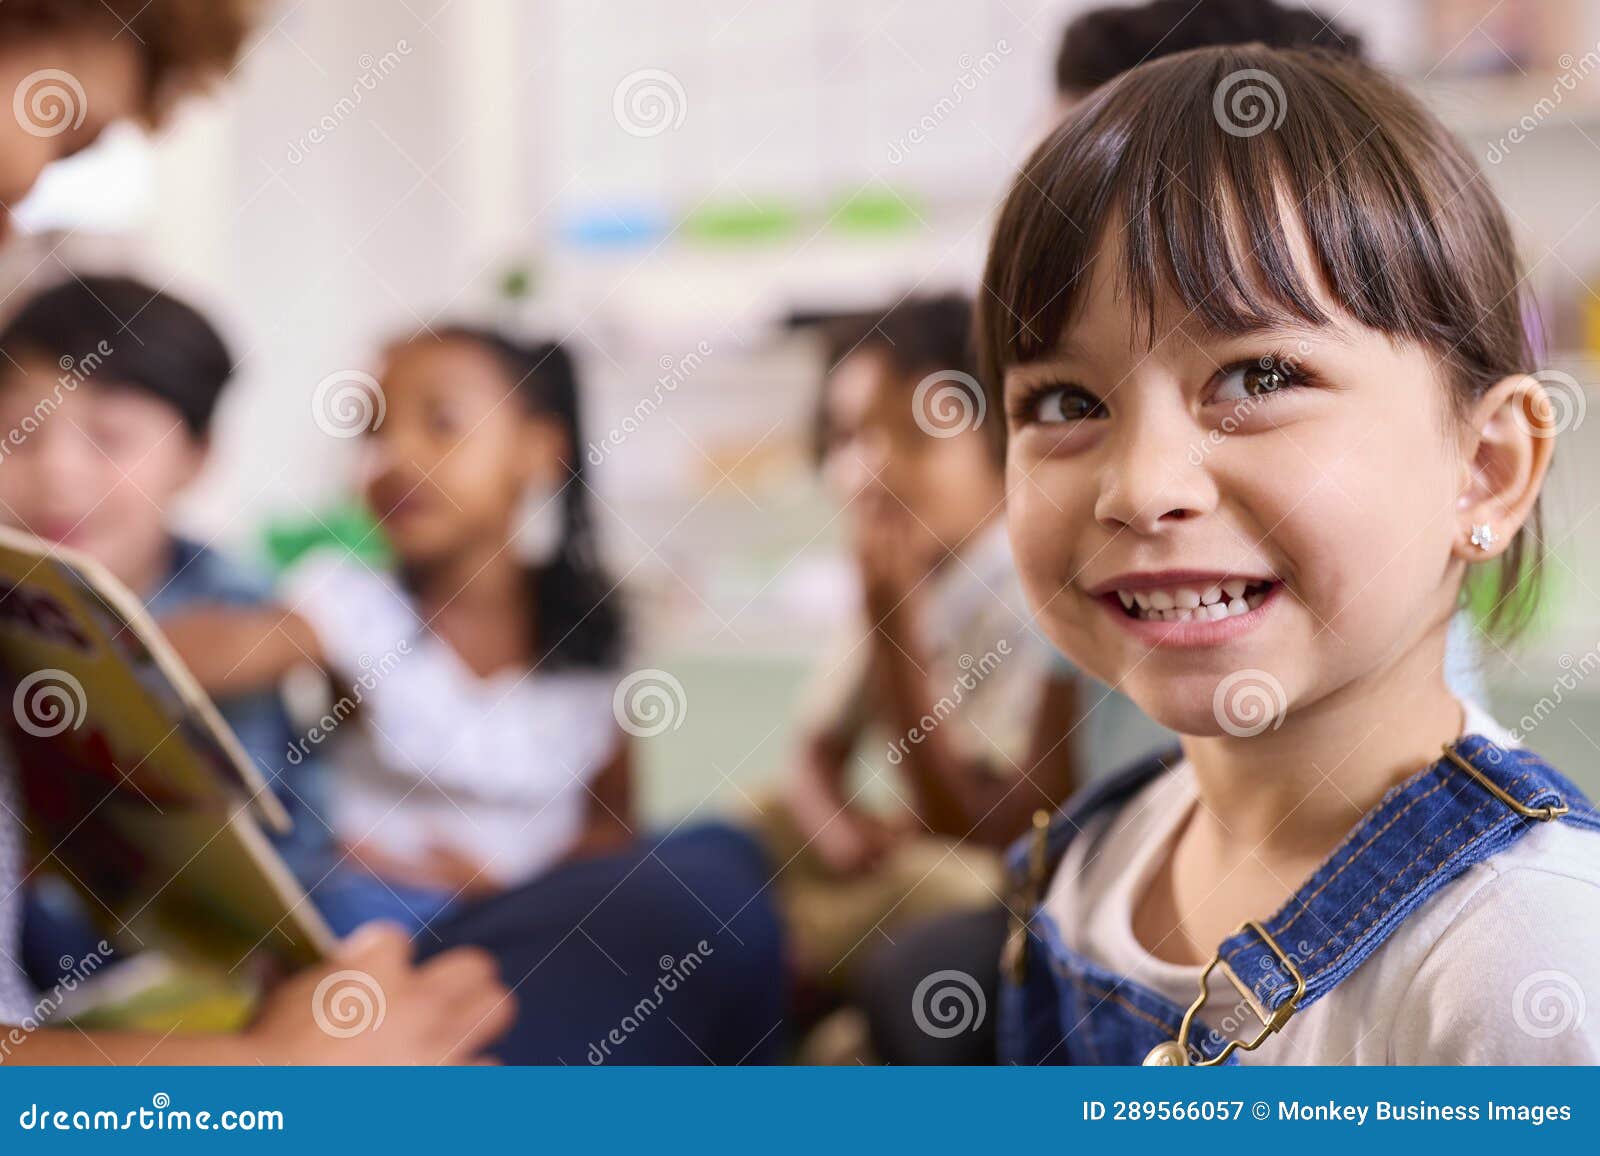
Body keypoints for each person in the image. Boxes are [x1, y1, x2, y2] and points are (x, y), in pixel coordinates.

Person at [979, 44, 1600, 1063]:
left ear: (1484, 467)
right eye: (1065, 402)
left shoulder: (1520, 955)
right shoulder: (1096, 858)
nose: (1142, 487)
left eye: (1258, 375)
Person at [0, 0, 512, 1064]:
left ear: (195, 458)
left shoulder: (263, 598)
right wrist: (269, 1074)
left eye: (110, 437)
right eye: (64, 134)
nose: (56, 468)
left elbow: (296, 832)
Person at [750, 295, 1144, 1061]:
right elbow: (814, 751)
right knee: (754, 814)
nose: (874, 472)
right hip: (910, 849)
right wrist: (833, 822)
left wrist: (893, 631)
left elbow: (978, 825)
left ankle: (777, 956)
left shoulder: (1019, 592)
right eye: (851, 439)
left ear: (1000, 446)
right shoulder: (900, 582)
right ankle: (775, 952)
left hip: (973, 862)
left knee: (949, 890)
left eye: (918, 439)